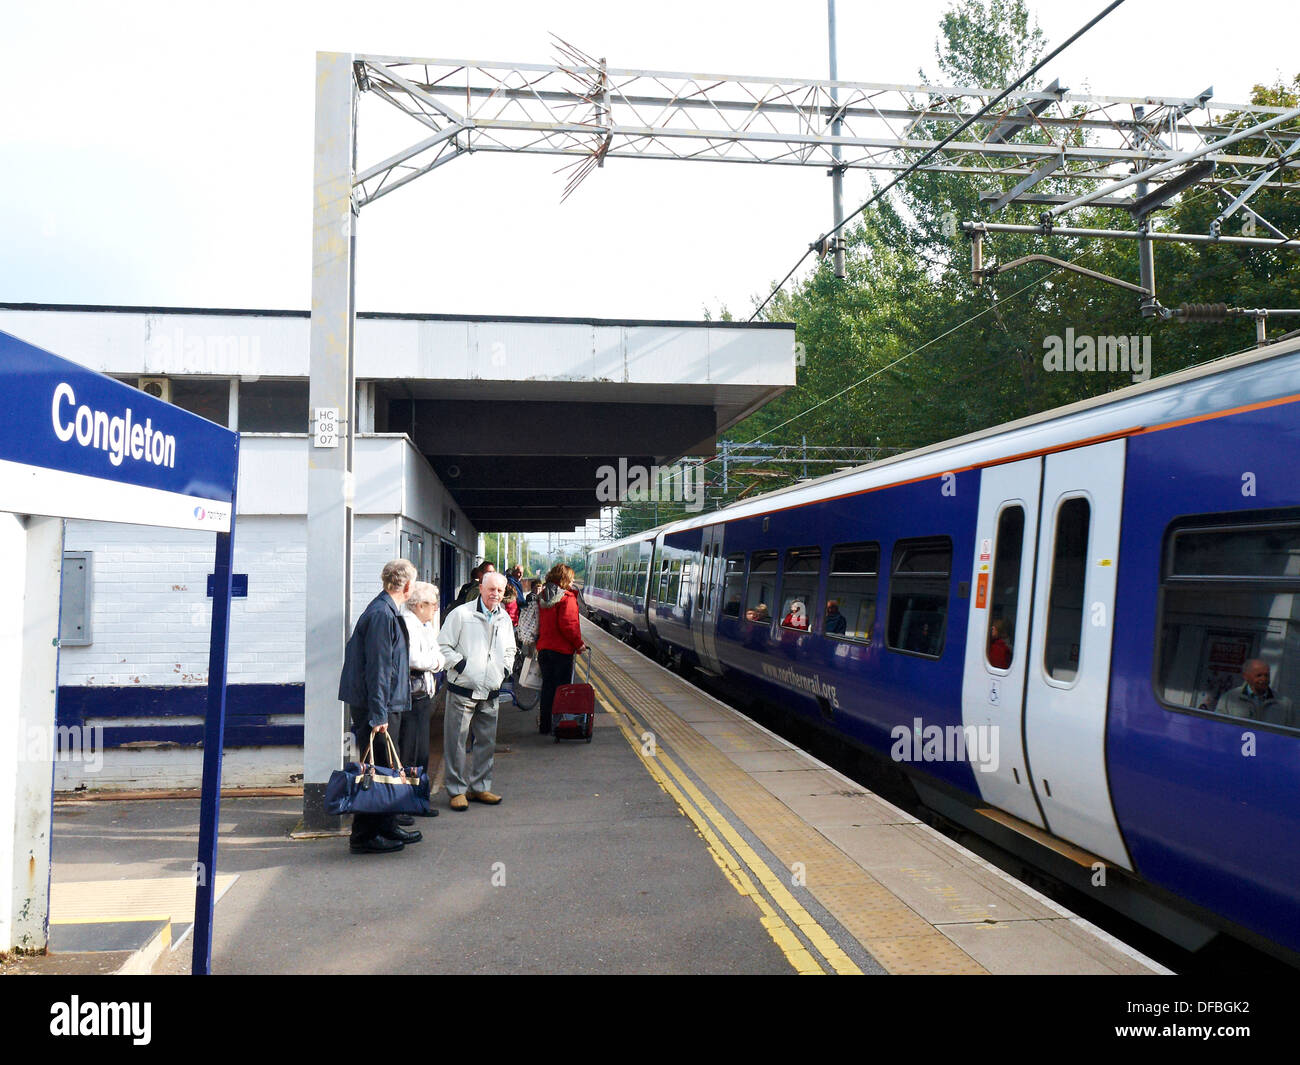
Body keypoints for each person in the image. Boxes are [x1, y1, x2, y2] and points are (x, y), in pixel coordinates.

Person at [336, 559, 422, 854]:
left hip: (382, 703)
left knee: (383, 768)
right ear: (408, 586)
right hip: (378, 705)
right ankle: (363, 835)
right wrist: (378, 714)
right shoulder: (382, 615)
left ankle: (385, 825)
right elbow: (378, 668)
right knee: (375, 770)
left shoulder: (383, 609)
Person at [438, 571, 516, 810]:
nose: (495, 594)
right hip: (463, 688)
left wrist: (504, 671)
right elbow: (442, 645)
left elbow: (510, 650)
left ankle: (481, 787)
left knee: (486, 742)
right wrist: (462, 666)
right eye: (491, 589)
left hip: (491, 690)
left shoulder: (504, 618)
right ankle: (456, 790)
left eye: (500, 590)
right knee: (456, 742)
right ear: (481, 588)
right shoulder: (461, 614)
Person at [401, 581, 445, 804]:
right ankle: (411, 800)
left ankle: (418, 798)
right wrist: (436, 663)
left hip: (421, 693)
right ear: (420, 605)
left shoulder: (422, 624)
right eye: (433, 605)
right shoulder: (409, 625)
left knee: (420, 750)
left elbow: (435, 648)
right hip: (413, 695)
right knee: (413, 749)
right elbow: (414, 658)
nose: (436, 609)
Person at [536, 563, 587, 735]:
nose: (573, 582)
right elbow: (568, 625)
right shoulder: (566, 598)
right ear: (564, 580)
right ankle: (558, 725)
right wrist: (579, 644)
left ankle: (545, 726)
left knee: (548, 688)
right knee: (562, 689)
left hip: (544, 649)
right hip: (561, 650)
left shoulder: (543, 596)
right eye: (571, 579)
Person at [1219, 659, 1294, 726]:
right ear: (1246, 677)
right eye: (1259, 675)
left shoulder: (1285, 704)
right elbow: (1218, 726)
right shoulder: (1229, 698)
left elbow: (1291, 735)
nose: (1263, 679)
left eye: (1266, 675)